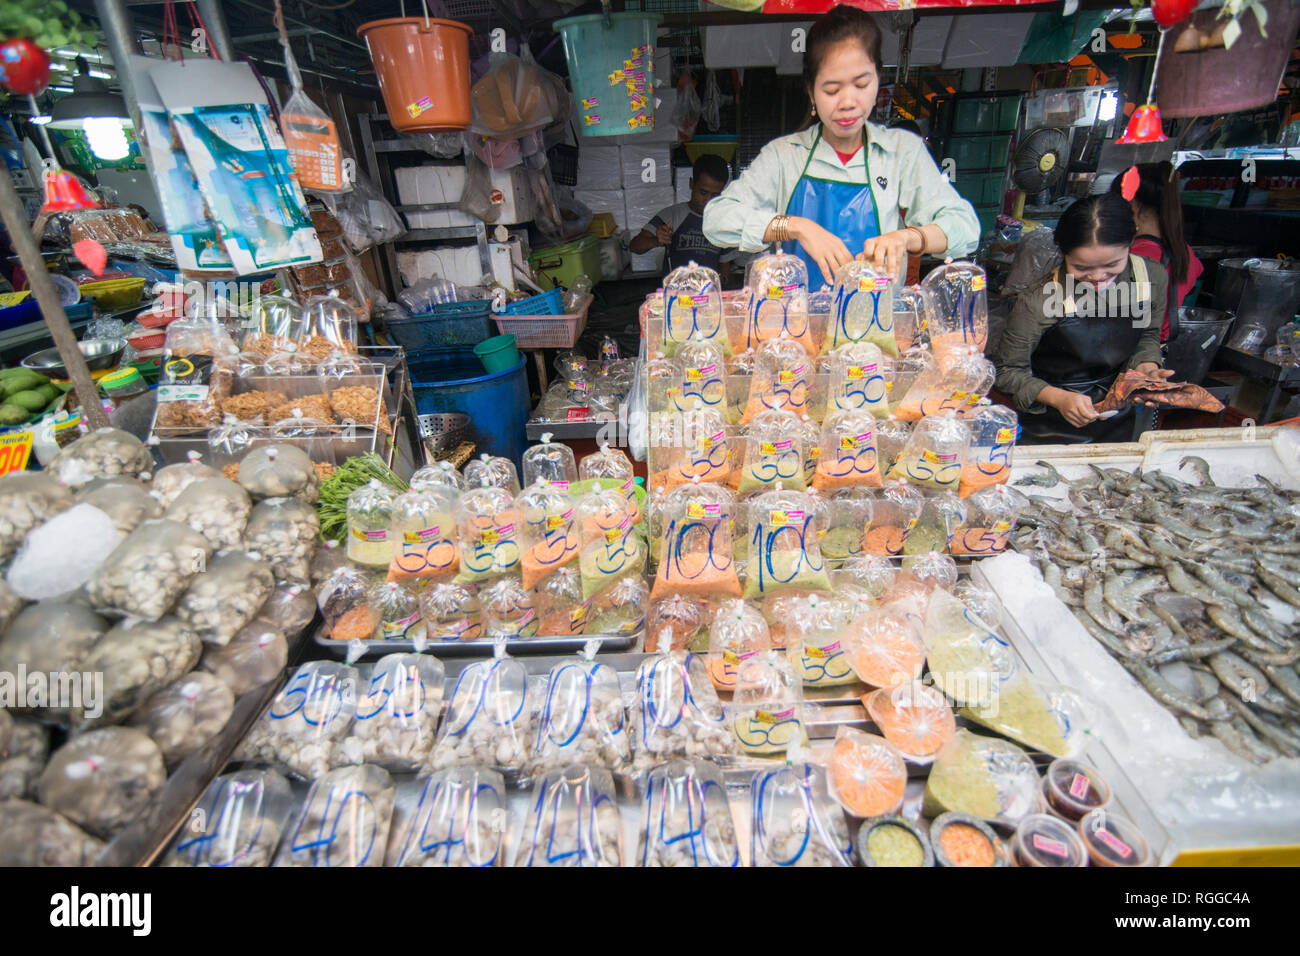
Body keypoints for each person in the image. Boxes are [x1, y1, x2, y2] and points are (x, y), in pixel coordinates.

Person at [701, 6, 978, 289]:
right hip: (796, 325)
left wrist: (907, 238)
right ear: (811, 91)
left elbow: (965, 226)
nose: (847, 102)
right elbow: (716, 219)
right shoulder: (785, 155)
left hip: (877, 326)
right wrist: (796, 226)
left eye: (861, 84)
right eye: (832, 90)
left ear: (878, 78)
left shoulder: (902, 152)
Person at [992, 192, 1173, 444]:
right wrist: (1059, 398)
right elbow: (1006, 371)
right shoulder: (1040, 299)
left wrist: (1146, 368)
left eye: (1112, 264)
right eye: (1082, 268)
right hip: (1048, 426)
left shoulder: (1150, 277)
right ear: (1064, 253)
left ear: (1131, 241)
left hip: (1117, 419)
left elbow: (1147, 337)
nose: (1098, 277)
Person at [1111, 162, 1203, 341]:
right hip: (1155, 354)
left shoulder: (1132, 257)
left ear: (1132, 203)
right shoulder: (1185, 252)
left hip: (1125, 354)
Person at [629, 154, 733, 276]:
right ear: (691, 184)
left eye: (715, 195)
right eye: (703, 192)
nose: (708, 200)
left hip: (708, 293)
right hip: (675, 294)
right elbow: (634, 246)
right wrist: (656, 241)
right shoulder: (671, 215)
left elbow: (724, 267)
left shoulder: (724, 223)